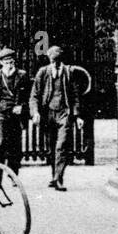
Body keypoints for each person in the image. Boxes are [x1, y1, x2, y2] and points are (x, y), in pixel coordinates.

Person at [31, 45, 79, 191]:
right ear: (49, 59)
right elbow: (34, 95)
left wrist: (77, 115)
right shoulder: (43, 72)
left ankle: (58, 179)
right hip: (48, 114)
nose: (55, 63)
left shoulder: (68, 73)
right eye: (53, 60)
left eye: (58, 60)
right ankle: (54, 176)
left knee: (61, 146)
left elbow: (75, 96)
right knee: (51, 148)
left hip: (64, 113)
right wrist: (36, 112)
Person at [0, 46, 30, 180]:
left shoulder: (22, 75)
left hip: (16, 116)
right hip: (1, 114)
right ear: (1, 63)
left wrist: (22, 107)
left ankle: (13, 176)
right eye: (6, 62)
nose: (9, 65)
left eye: (11, 62)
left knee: (15, 146)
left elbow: (29, 96)